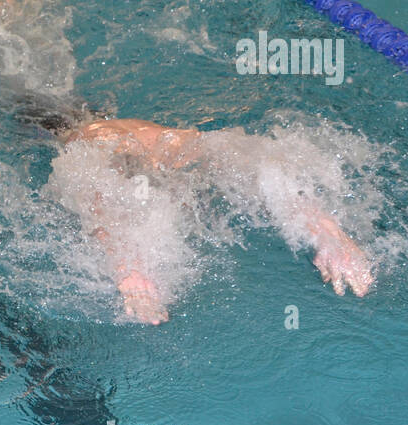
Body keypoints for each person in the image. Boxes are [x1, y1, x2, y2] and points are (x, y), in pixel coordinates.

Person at [29, 102, 374, 325]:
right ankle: (325, 229)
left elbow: (97, 207)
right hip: (143, 143)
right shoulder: (150, 138)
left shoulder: (87, 146)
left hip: (103, 147)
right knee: (235, 161)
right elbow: (253, 159)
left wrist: (128, 271)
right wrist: (321, 223)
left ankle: (325, 230)